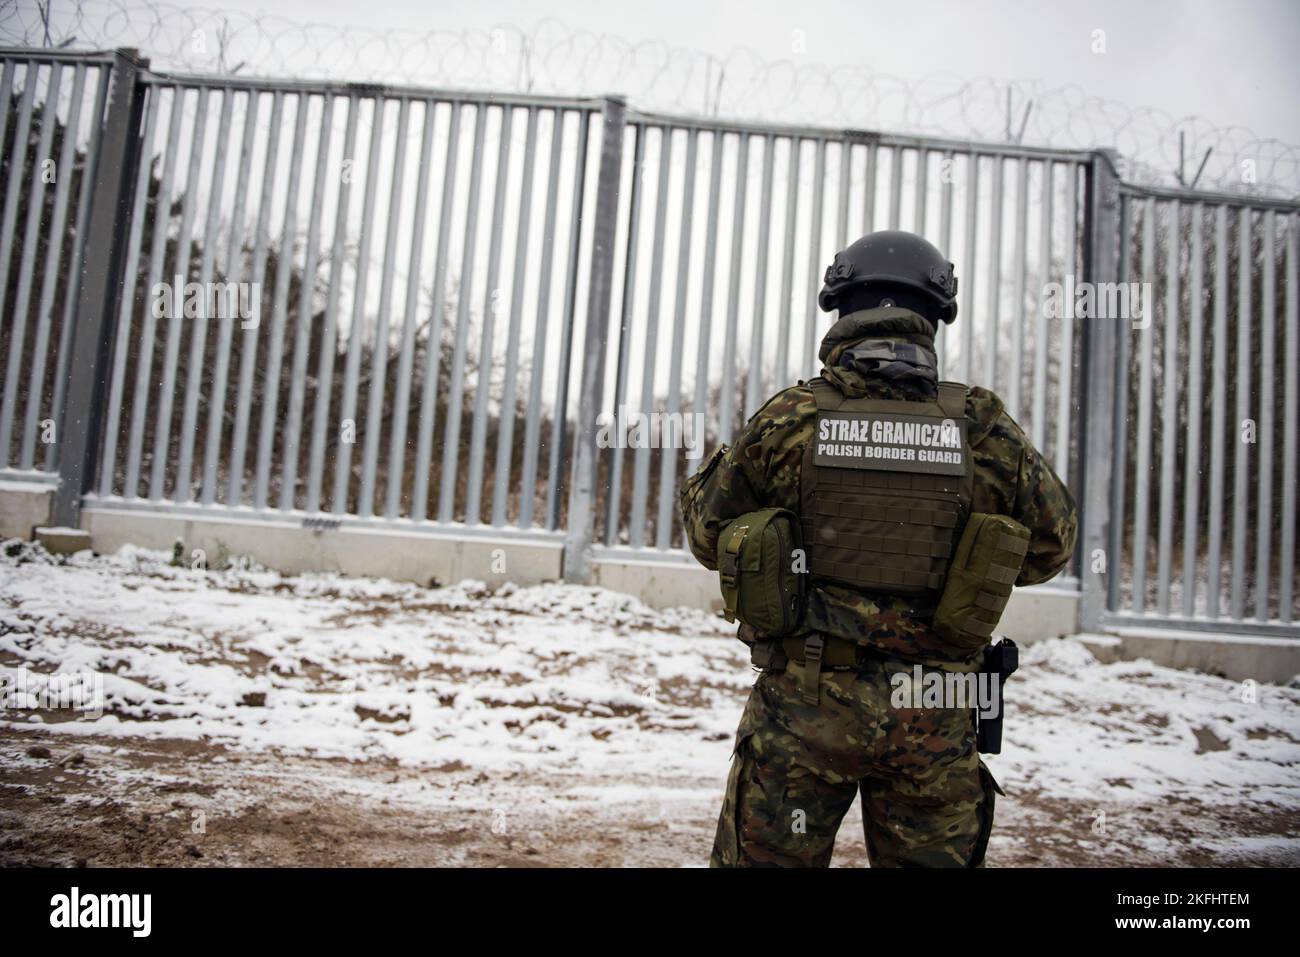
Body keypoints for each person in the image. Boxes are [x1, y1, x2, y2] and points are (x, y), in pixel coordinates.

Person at [680, 230, 1078, 867]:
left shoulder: (793, 417)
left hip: (805, 705)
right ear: (934, 318)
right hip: (936, 708)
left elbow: (709, 537)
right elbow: (1051, 549)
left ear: (840, 310)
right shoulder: (980, 426)